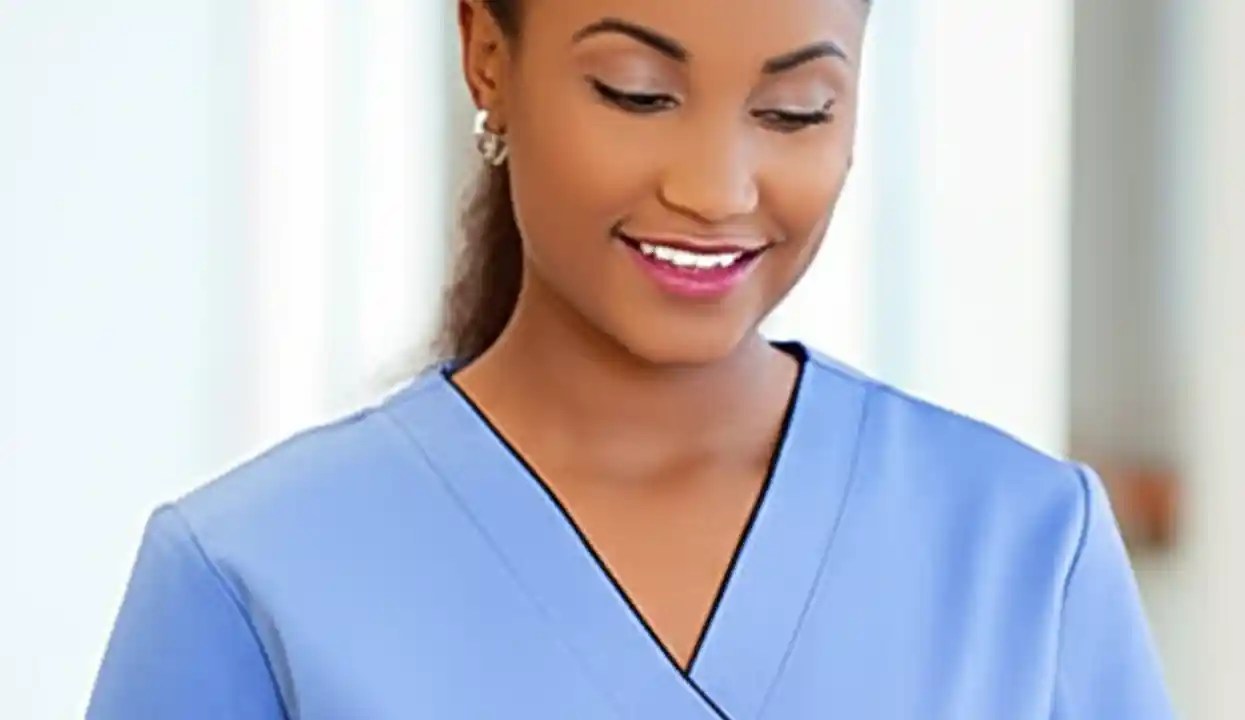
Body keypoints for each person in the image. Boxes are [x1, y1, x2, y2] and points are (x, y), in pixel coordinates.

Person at [88, 1, 1174, 717]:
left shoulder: (1028, 551)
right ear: (486, 56)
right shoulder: (247, 577)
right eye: (637, 93)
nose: (716, 187)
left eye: (795, 110)